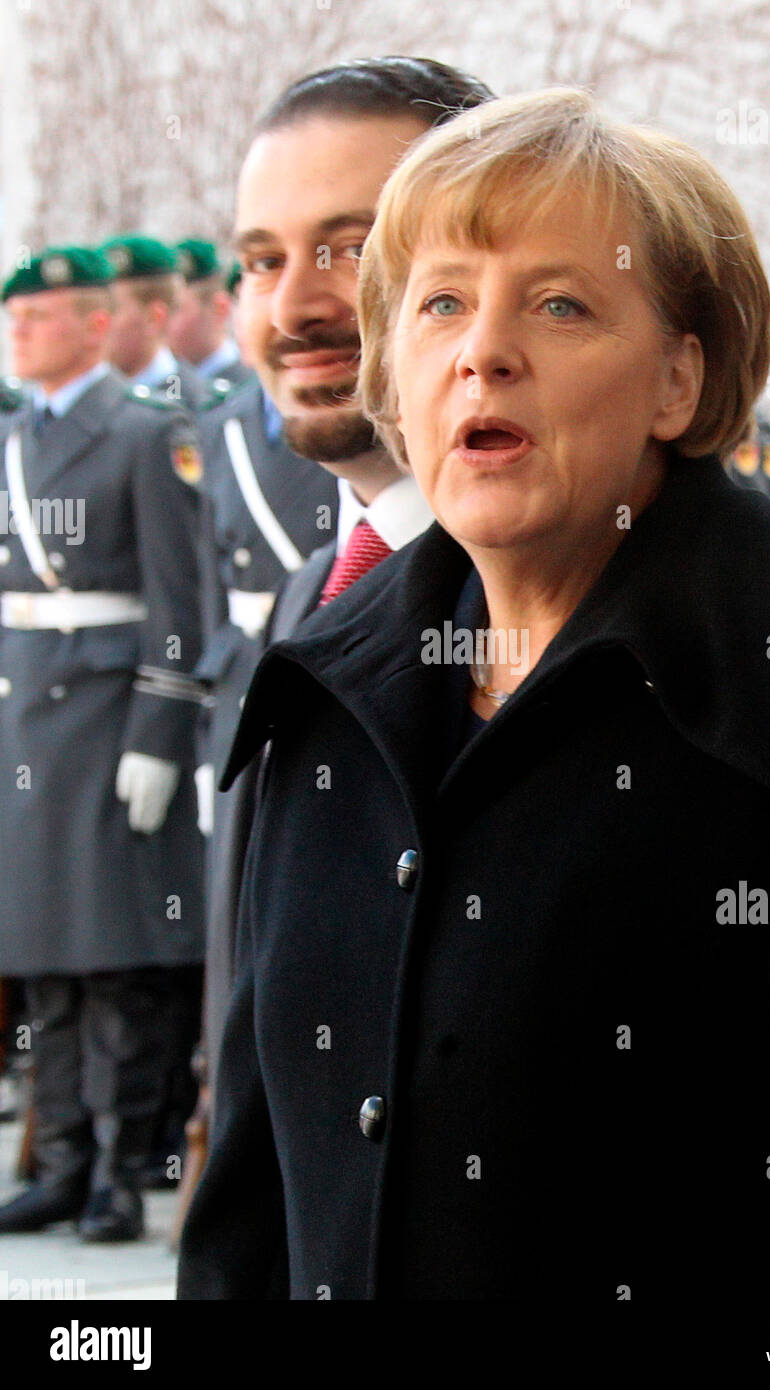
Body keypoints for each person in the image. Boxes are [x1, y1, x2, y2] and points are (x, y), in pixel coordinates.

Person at [179, 87, 770, 1302]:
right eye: (440, 304)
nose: (482, 350)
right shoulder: (325, 676)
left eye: (558, 304)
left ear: (677, 382)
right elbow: (258, 1199)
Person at [191, 58, 495, 1123]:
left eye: (350, 251)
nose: (293, 307)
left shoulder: (547, 600)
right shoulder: (312, 594)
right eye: (260, 261)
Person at [0, 245, 206, 1240]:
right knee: (41, 960)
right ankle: (62, 1159)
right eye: (16, 319)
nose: (20, 332)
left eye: (41, 317)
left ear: (93, 325)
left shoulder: (140, 433)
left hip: (107, 718)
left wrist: (162, 727)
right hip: (26, 719)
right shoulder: (8, 440)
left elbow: (181, 595)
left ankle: (123, 1171)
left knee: (116, 960)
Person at [99, 234, 211, 412]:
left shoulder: (199, 404)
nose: (100, 324)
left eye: (112, 310)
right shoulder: (91, 398)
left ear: (154, 318)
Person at [168, 239, 252, 387]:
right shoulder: (167, 383)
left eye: (176, 309)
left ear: (220, 308)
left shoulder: (253, 383)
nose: (164, 322)